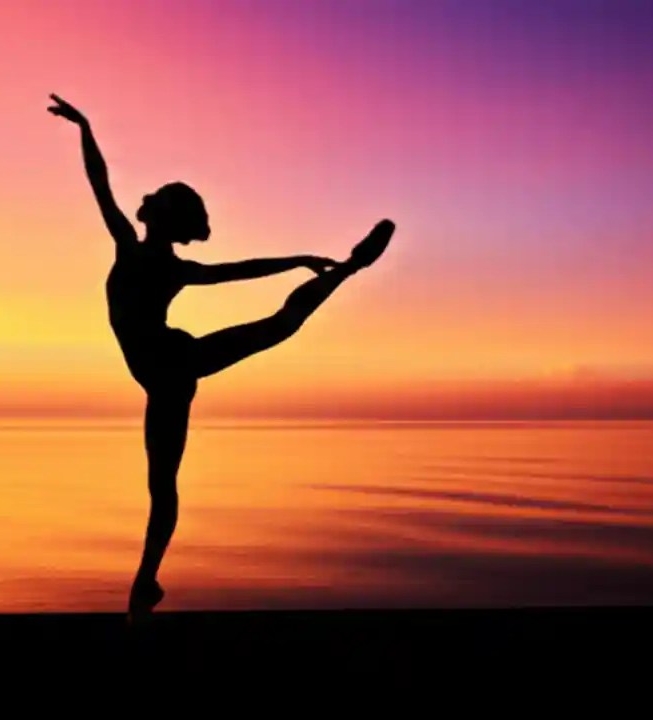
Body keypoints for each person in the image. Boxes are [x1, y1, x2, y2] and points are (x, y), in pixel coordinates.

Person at [47, 94, 394, 620]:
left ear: (164, 218)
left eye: (165, 201)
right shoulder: (139, 250)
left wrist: (298, 259)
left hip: (171, 365)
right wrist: (85, 126)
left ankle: (349, 267)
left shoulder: (152, 258)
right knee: (164, 484)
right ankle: (145, 585)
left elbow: (240, 268)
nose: (155, 203)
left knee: (277, 329)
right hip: (169, 373)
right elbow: (101, 182)